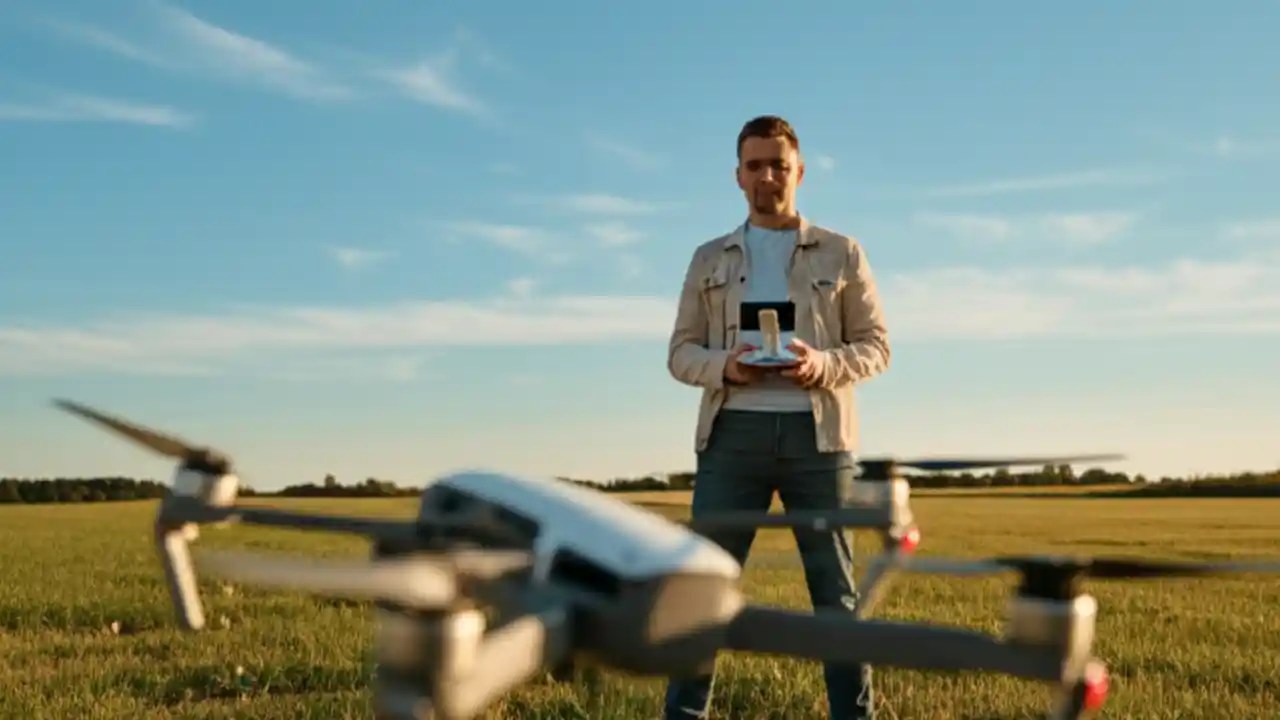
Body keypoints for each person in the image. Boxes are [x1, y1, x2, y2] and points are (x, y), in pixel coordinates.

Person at [664, 114, 891, 720]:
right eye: (755, 165)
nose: (768, 176)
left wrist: (821, 363)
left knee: (837, 599)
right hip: (731, 434)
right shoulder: (708, 257)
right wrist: (725, 367)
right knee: (702, 591)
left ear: (800, 171)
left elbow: (876, 347)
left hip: (819, 438)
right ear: (737, 175)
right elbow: (679, 353)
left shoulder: (844, 252)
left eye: (779, 165)